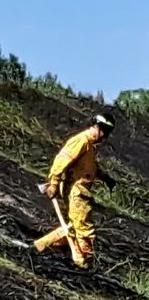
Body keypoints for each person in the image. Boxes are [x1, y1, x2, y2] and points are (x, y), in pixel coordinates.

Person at [33, 113, 116, 269]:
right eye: (104, 131)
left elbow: (90, 167)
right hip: (76, 190)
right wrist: (53, 183)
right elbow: (62, 160)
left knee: (74, 226)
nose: (105, 137)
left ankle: (41, 246)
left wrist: (106, 178)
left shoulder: (90, 146)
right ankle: (84, 261)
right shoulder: (81, 141)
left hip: (81, 189)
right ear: (97, 127)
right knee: (83, 227)